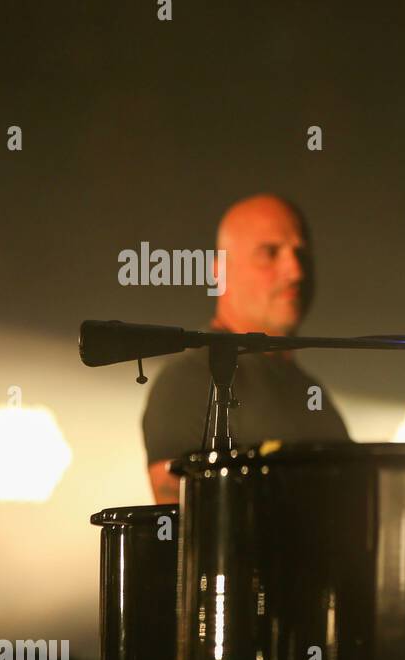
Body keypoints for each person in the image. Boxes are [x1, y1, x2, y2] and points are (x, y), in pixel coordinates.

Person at [142, 194, 350, 502]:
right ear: (219, 270)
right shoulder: (190, 382)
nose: (296, 271)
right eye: (270, 253)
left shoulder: (309, 389)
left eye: (302, 254)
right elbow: (181, 529)